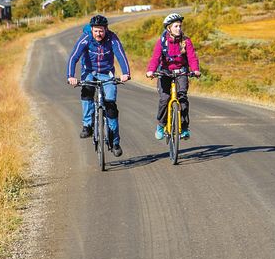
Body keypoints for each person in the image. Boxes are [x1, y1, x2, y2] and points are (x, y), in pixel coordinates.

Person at [67, 14, 131, 155]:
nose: (98, 34)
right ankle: (87, 125)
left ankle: (115, 142)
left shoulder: (112, 38)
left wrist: (126, 73)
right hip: (89, 72)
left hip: (107, 73)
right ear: (91, 29)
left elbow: (121, 55)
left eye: (101, 30)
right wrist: (70, 76)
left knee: (110, 105)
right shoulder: (86, 38)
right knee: (87, 91)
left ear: (106, 29)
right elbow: (73, 57)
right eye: (95, 30)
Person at [145, 12, 201, 140]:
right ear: (169, 28)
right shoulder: (162, 42)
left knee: (182, 99)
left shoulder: (186, 41)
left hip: (181, 72)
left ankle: (184, 127)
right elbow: (155, 58)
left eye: (180, 26)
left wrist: (195, 70)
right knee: (164, 99)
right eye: (176, 26)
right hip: (165, 72)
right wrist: (151, 71)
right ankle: (161, 125)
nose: (179, 28)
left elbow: (192, 57)